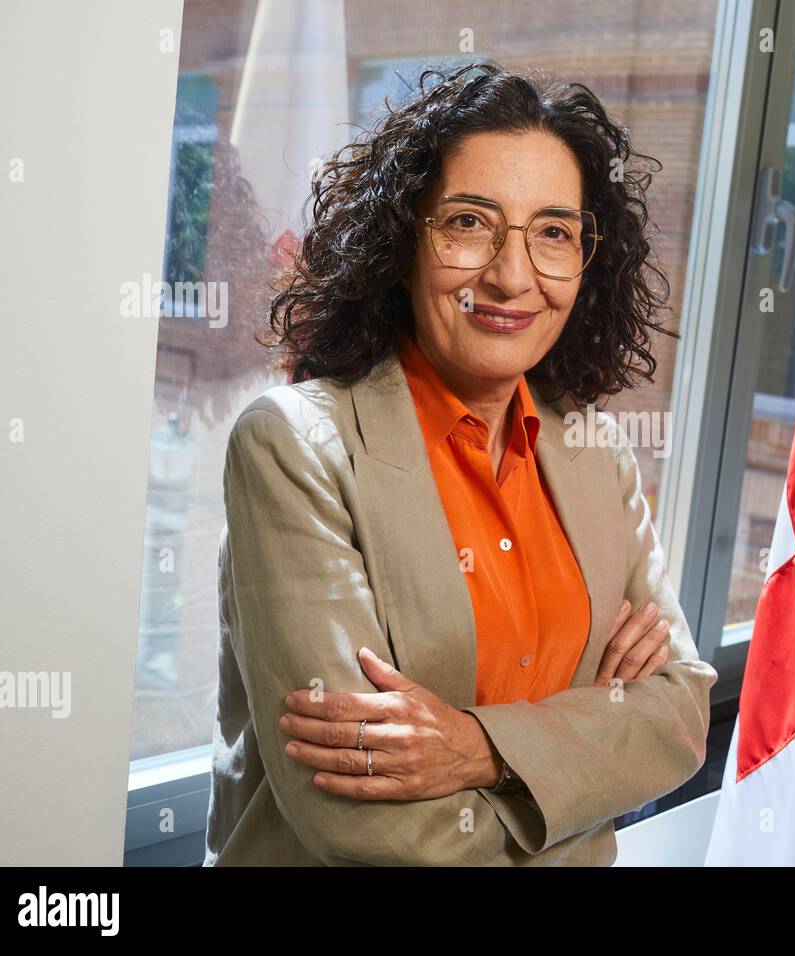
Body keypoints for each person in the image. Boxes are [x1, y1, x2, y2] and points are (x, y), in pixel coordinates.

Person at [203, 60, 717, 866]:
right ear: (401, 238)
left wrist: (478, 749)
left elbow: (680, 716)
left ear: (587, 261)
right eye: (469, 223)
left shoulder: (594, 453)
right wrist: (580, 768)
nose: (513, 277)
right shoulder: (295, 445)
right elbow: (358, 820)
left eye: (554, 233)